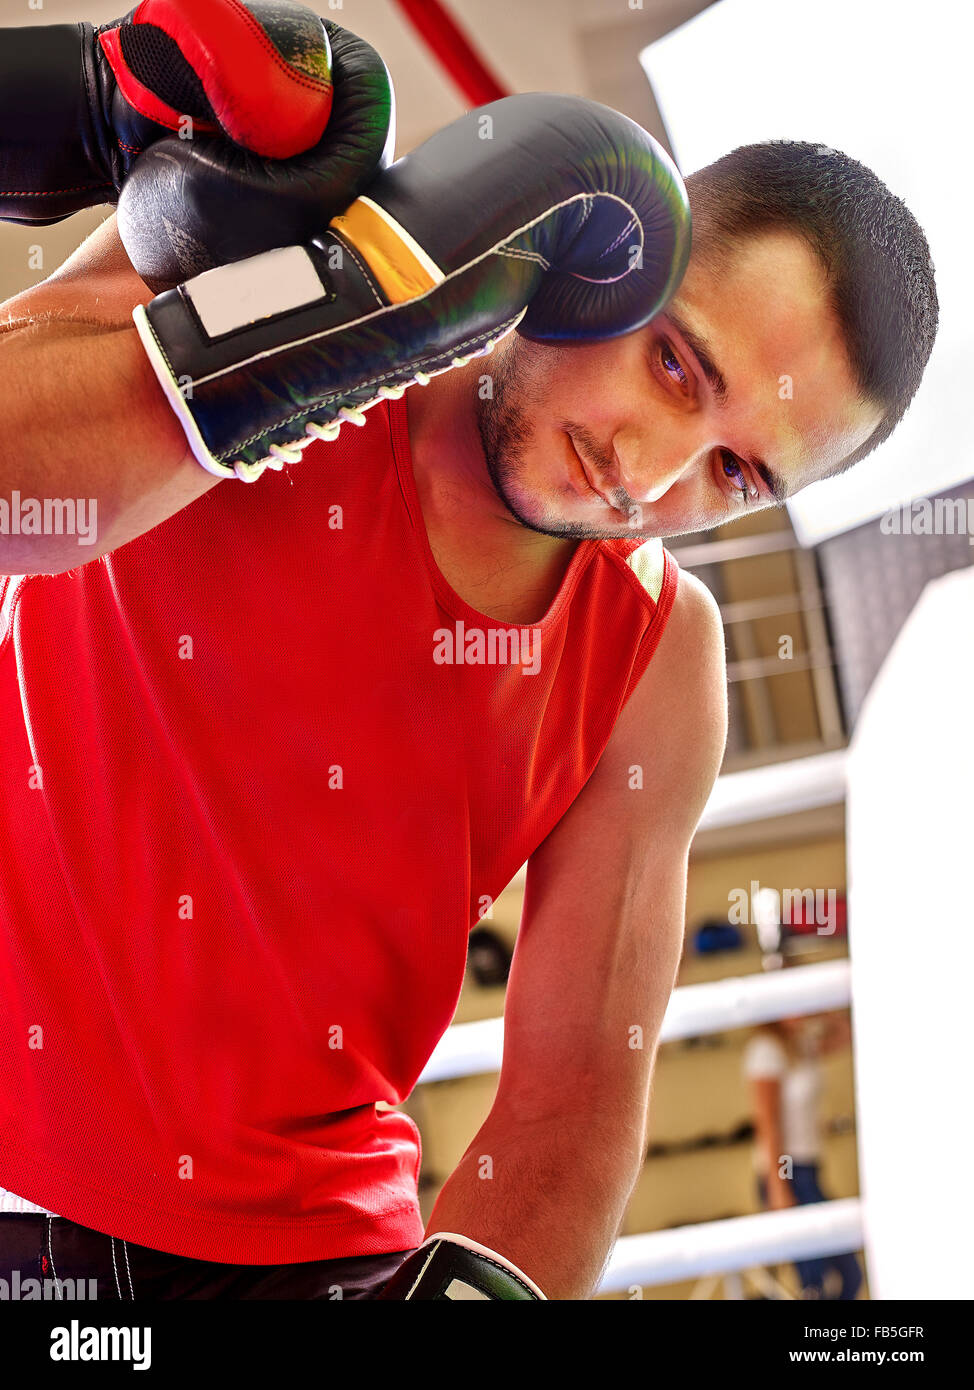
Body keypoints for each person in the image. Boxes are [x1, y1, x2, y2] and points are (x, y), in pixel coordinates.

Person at [0, 4, 937, 1300]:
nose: (647, 477)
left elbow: (573, 1100)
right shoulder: (276, 242)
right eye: (673, 364)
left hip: (307, 1257)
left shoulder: (658, 654)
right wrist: (326, 329)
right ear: (610, 245)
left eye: (734, 469)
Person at [744, 1008, 863, 1300]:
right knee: (814, 1279)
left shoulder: (802, 1044)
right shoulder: (765, 1050)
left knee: (849, 1274)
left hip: (810, 1169)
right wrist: (778, 1187)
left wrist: (819, 1006)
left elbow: (848, 1034)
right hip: (788, 1172)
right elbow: (768, 1125)